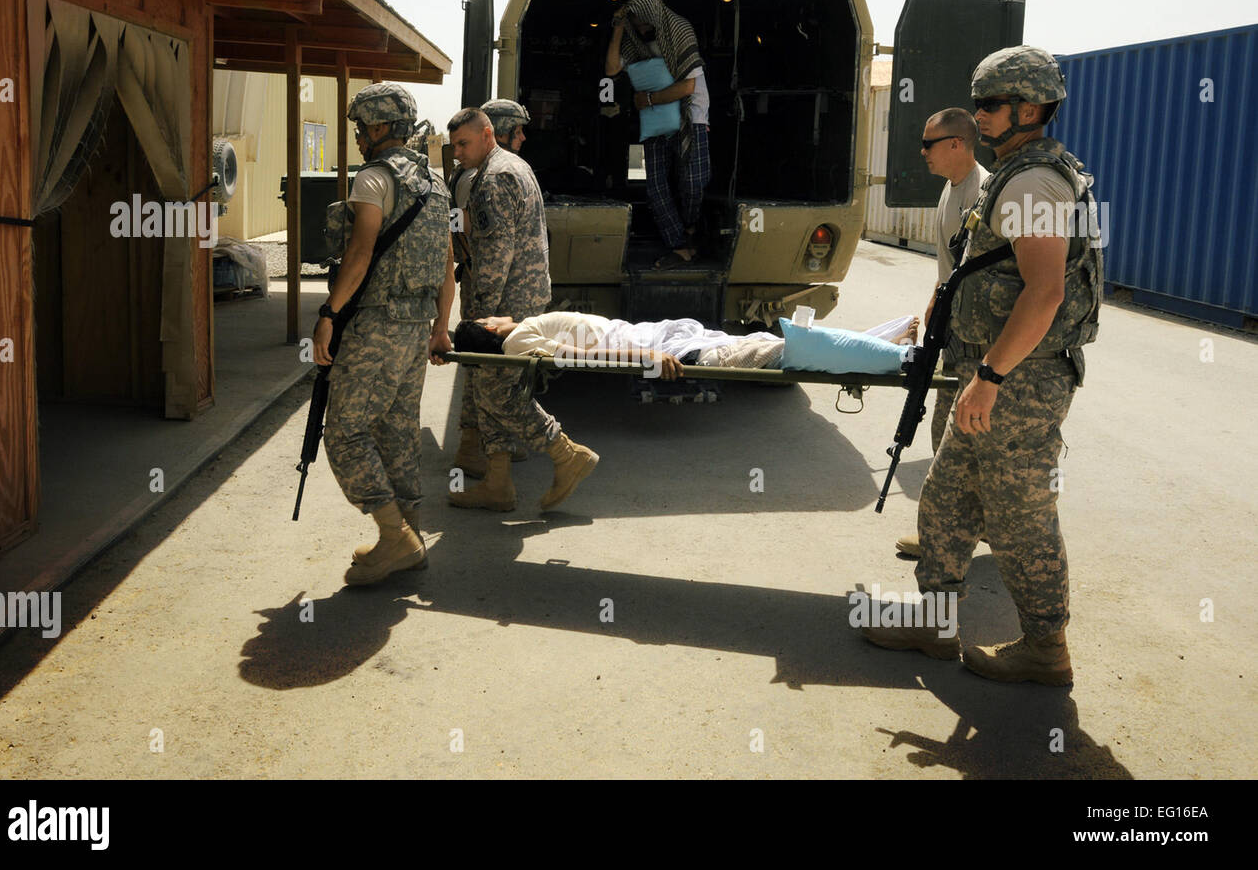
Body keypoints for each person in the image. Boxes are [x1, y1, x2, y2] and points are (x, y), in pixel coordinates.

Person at [862, 45, 1102, 686]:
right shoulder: (1019, 174)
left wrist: (990, 377)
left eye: (991, 105)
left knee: (1020, 513)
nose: (980, 115)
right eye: (979, 102)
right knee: (946, 497)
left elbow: (1045, 291)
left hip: (1021, 381)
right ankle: (936, 626)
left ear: (1030, 108)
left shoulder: (1030, 184)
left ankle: (1046, 649)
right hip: (994, 374)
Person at [313, 83, 454, 586]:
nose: (356, 137)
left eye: (359, 127)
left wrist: (330, 311)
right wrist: (440, 328)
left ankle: (394, 536)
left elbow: (361, 251)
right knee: (397, 431)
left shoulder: (374, 179)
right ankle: (409, 537)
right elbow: (446, 266)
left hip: (376, 324)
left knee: (346, 432)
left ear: (378, 128)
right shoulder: (435, 184)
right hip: (416, 330)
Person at [445, 108, 599, 512]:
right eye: (454, 146)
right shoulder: (512, 166)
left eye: (463, 144)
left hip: (506, 302)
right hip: (524, 297)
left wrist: (478, 319)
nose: (457, 153)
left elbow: (496, 255)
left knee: (497, 394)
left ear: (487, 134)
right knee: (489, 388)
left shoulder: (494, 179)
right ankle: (498, 484)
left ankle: (567, 454)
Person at [895, 107, 991, 561]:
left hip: (979, 339)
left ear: (957, 144)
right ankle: (963, 532)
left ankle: (948, 541)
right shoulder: (950, 189)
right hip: (952, 329)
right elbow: (950, 266)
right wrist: (934, 304)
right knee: (950, 434)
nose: (922, 152)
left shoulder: (985, 192)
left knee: (954, 438)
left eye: (929, 144)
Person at [604, 0, 711, 269]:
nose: (640, 27)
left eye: (644, 21)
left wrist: (648, 99)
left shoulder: (679, 30)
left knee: (694, 181)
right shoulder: (634, 39)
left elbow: (688, 86)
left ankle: (690, 230)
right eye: (635, 22)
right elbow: (612, 68)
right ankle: (679, 246)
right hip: (654, 121)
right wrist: (619, 28)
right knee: (654, 188)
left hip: (691, 117)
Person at [453, 312, 920, 375]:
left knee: (770, 343)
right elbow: (582, 357)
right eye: (488, 317)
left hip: (667, 336)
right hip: (669, 347)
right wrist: (648, 359)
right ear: (489, 329)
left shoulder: (519, 336)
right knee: (783, 352)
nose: (499, 314)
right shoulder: (517, 342)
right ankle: (898, 355)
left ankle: (883, 342)